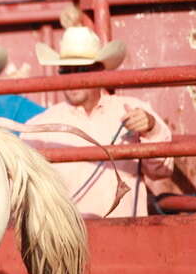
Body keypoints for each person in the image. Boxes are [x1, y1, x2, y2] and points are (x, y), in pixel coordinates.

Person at [22, 27, 172, 218]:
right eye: (65, 70)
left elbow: (162, 171)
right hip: (69, 240)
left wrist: (151, 129)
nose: (73, 78)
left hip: (126, 234)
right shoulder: (38, 127)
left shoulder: (132, 111)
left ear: (99, 70)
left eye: (82, 69)